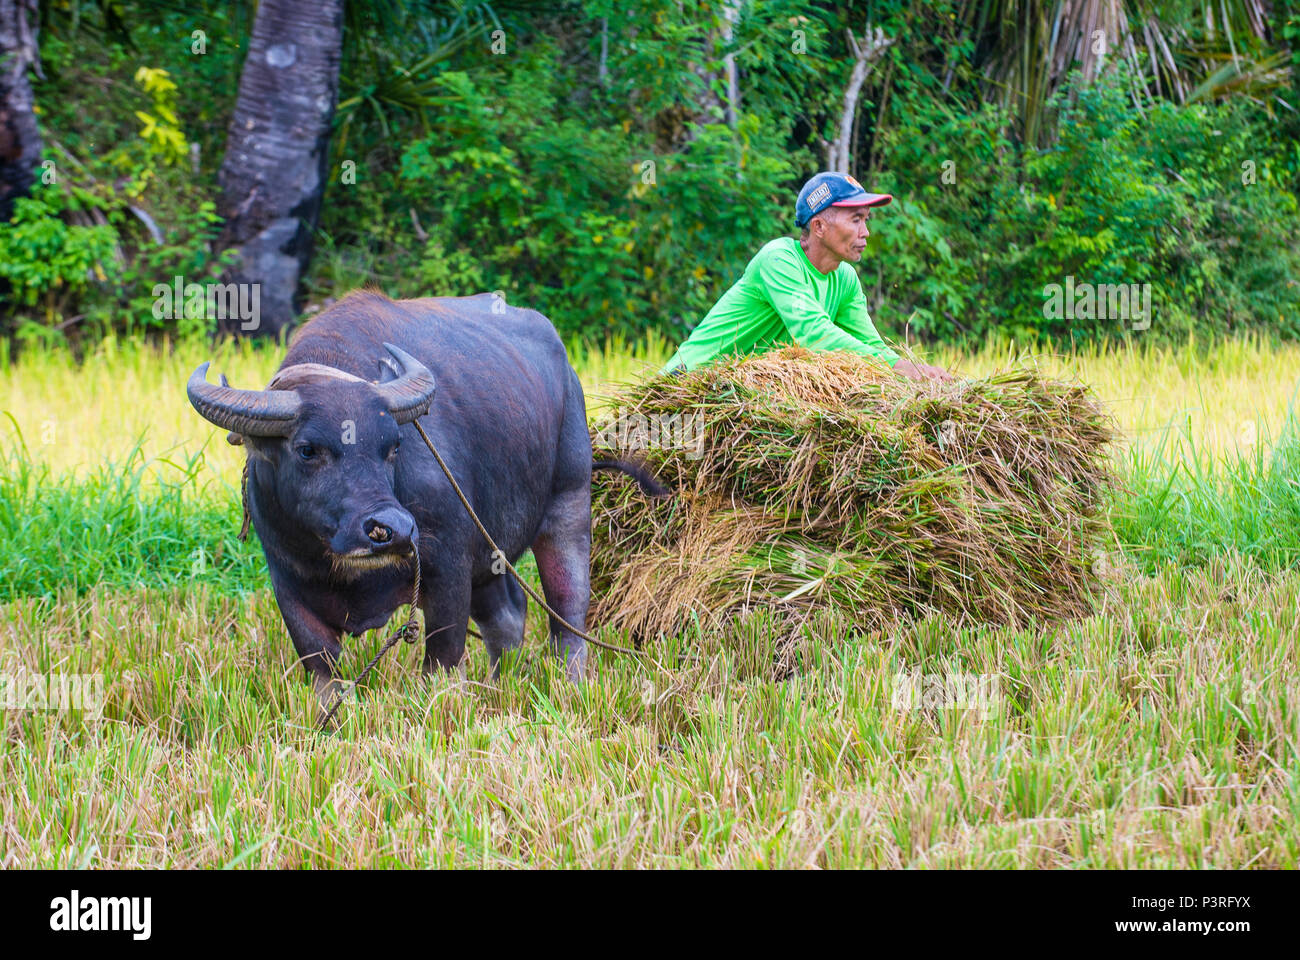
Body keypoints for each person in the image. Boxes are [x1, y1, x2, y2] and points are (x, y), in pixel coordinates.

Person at [661, 171, 952, 382]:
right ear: (819, 227)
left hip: (737, 394)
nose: (866, 233)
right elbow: (814, 333)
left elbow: (874, 349)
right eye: (855, 220)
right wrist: (899, 367)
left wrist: (920, 376)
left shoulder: (845, 279)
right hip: (688, 385)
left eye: (866, 219)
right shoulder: (779, 259)